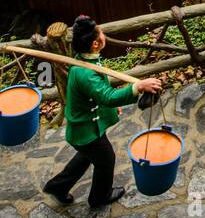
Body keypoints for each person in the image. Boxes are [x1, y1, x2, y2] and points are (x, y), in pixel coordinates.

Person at [43, 15, 162, 207]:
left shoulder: (83, 60)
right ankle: (99, 197)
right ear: (96, 43)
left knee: (86, 156)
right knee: (106, 159)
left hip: (85, 127)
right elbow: (106, 96)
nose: (104, 34)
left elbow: (98, 96)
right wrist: (138, 86)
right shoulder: (85, 73)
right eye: (102, 33)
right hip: (85, 129)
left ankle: (57, 186)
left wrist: (111, 110)